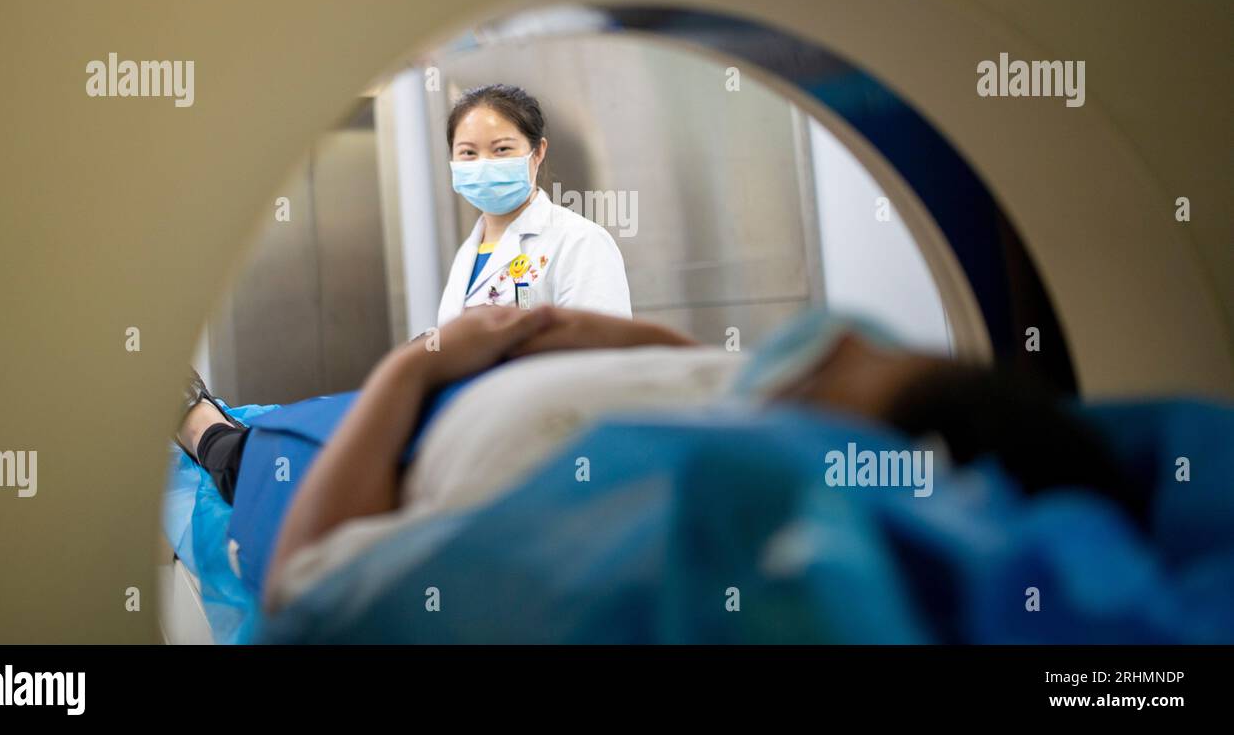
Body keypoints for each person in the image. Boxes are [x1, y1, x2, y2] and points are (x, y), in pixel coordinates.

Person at [172, 305, 1145, 615]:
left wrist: (407, 372)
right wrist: (529, 330)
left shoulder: (667, 504)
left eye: (873, 359)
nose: (839, 334)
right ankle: (215, 426)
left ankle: (203, 434)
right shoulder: (744, 395)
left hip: (384, 454)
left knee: (255, 459)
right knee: (290, 423)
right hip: (459, 385)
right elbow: (678, 359)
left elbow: (311, 592)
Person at [436, 84, 631, 325]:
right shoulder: (466, 255)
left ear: (538, 152)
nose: (483, 164)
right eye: (468, 153)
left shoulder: (580, 241)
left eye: (501, 149)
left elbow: (602, 349)